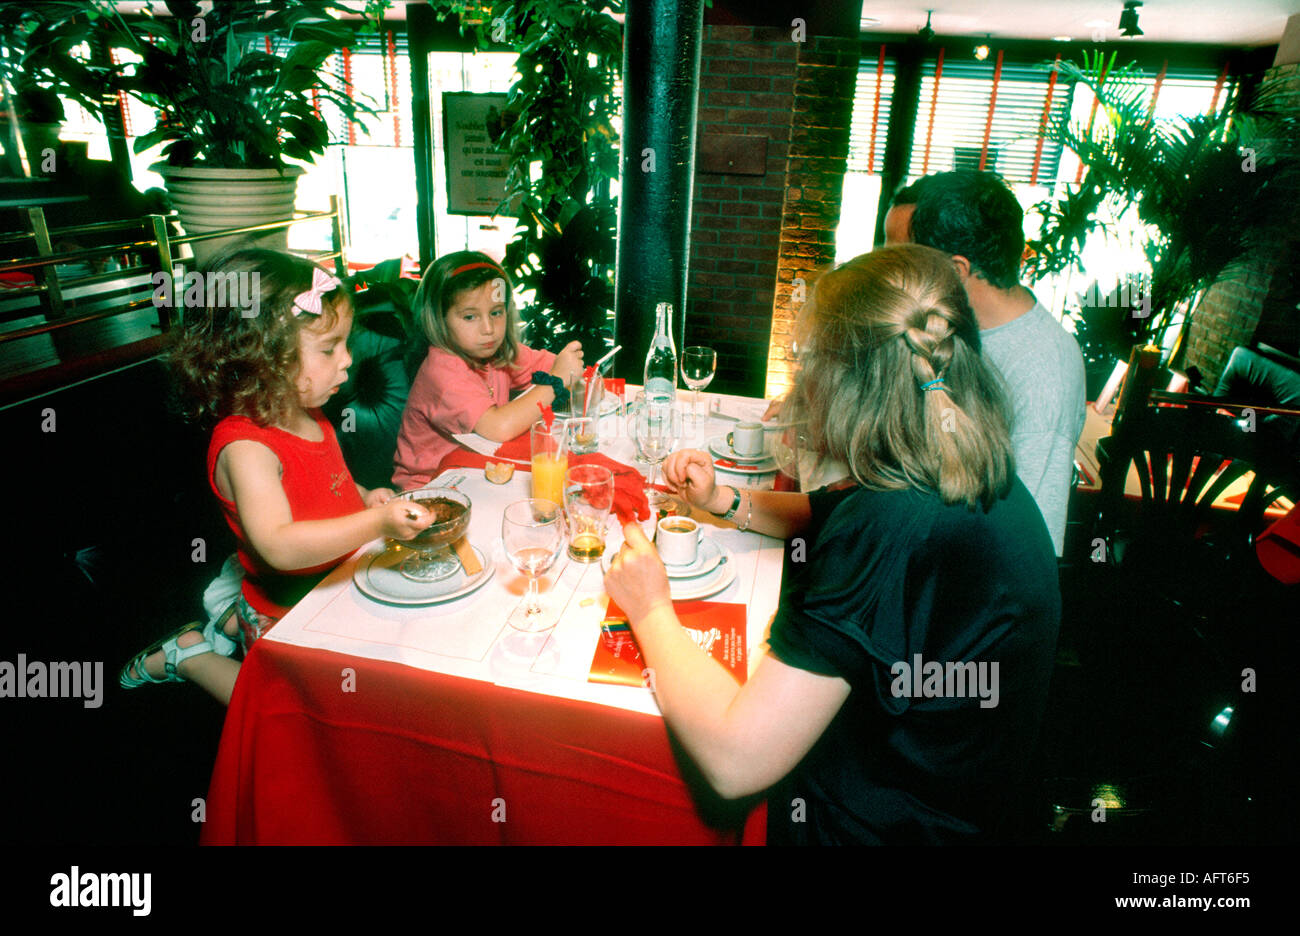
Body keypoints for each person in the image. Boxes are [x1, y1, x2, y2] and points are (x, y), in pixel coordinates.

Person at [604, 245, 1061, 844]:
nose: (800, 378)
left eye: (805, 358)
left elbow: (735, 759)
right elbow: (833, 510)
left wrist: (648, 606)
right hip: (975, 794)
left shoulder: (888, 525)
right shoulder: (962, 456)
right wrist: (728, 504)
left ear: (843, 380)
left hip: (886, 822)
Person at [120, 250, 434, 704]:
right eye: (329, 349)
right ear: (262, 357)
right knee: (281, 713)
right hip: (285, 610)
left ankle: (230, 614)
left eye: (345, 343)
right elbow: (279, 545)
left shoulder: (312, 415)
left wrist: (367, 497)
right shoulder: (246, 448)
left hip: (333, 587)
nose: (347, 360)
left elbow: (327, 486)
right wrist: (377, 525)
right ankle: (190, 655)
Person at [884, 170, 1086, 556]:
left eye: (902, 259)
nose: (890, 272)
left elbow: (1030, 546)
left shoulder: (1044, 371)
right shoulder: (947, 324)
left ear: (957, 270)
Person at [391, 251, 585, 489]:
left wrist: (569, 367)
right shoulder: (441, 370)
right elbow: (498, 427)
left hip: (476, 471)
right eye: (470, 316)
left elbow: (551, 364)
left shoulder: (495, 351)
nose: (488, 329)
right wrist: (555, 382)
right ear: (440, 319)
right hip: (429, 487)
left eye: (496, 312)